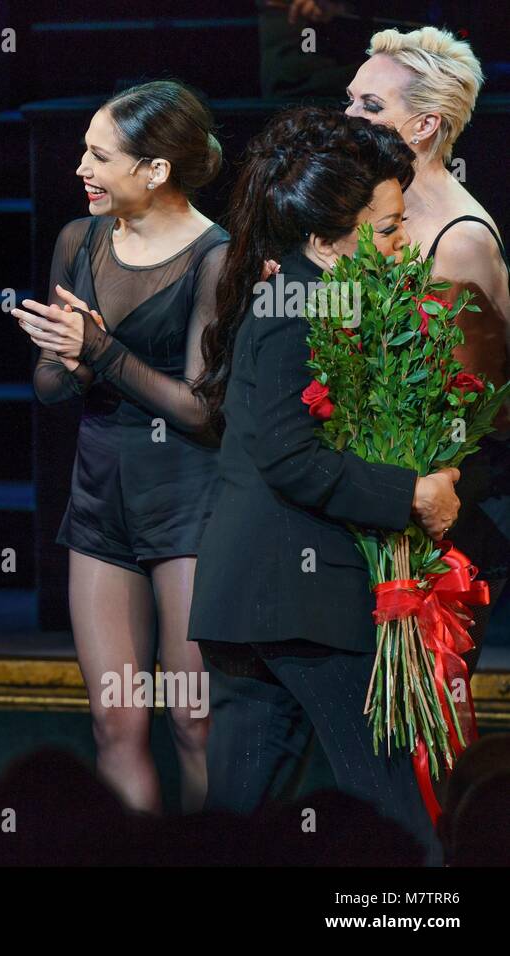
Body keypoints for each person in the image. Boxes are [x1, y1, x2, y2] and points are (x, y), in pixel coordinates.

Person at [189, 107, 454, 861]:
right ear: (322, 235)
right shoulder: (297, 304)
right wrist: (412, 492)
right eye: (389, 228)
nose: (403, 245)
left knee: (233, 828)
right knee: (393, 816)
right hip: (297, 599)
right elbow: (289, 455)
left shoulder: (319, 297)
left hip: (263, 600)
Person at [12, 81, 226, 813]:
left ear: (156, 170)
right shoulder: (80, 240)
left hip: (189, 504)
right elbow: (47, 384)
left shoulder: (215, 258)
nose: (81, 168)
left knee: (196, 720)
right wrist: (68, 365)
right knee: (115, 719)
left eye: (100, 156)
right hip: (102, 497)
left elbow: (201, 410)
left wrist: (99, 352)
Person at [346, 26, 510, 669]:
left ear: (424, 126)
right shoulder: (363, 206)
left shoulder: (459, 236)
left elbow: (480, 408)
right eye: (350, 100)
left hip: (445, 504)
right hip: (379, 490)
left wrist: (413, 488)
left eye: (370, 106)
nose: (349, 116)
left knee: (424, 710)